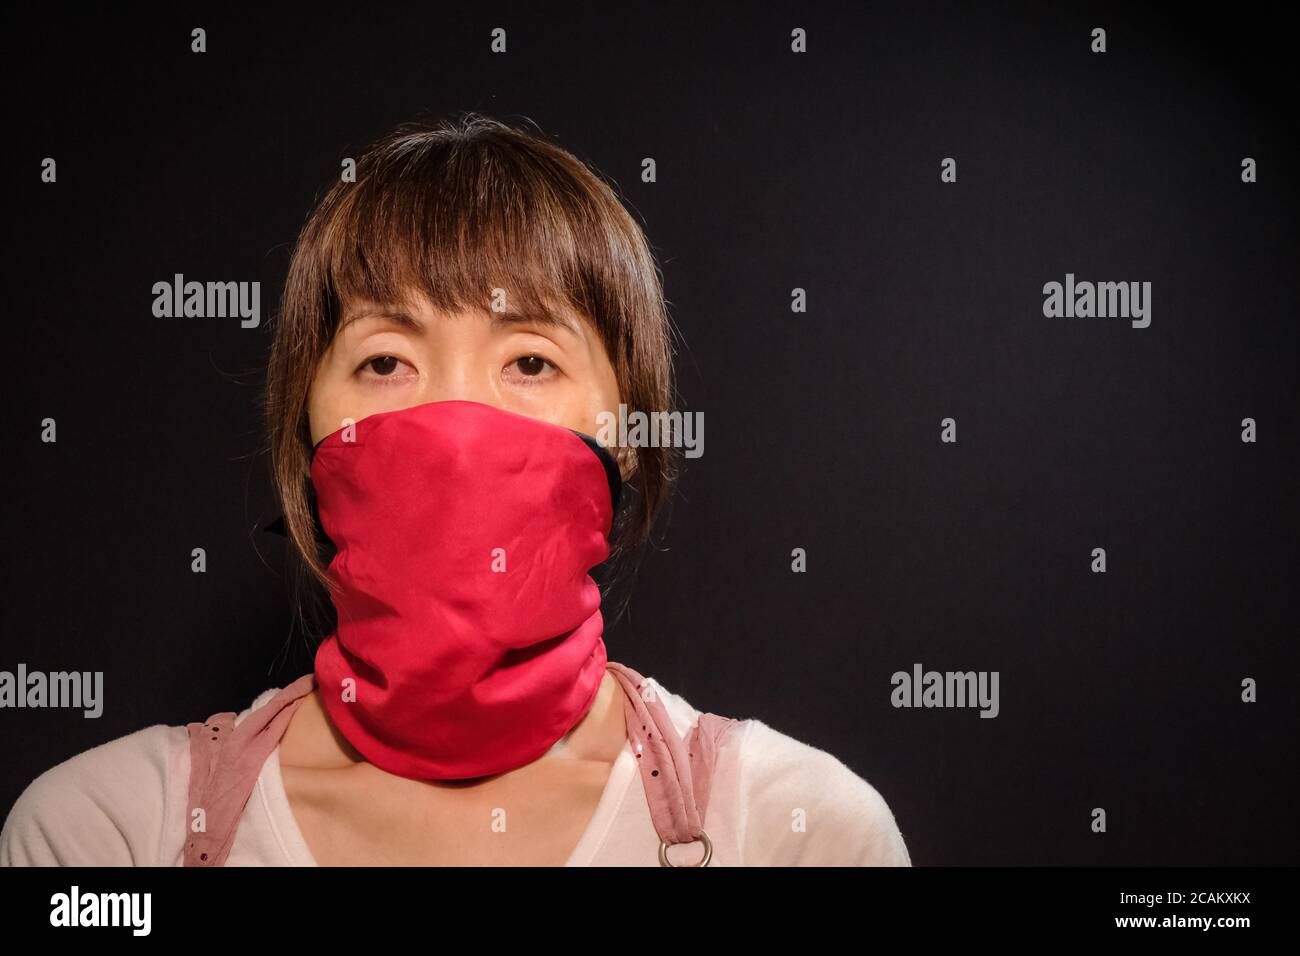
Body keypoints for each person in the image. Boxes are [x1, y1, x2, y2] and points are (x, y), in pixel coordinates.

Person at [0, 114, 912, 867]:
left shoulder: (805, 835)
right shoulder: (102, 837)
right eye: (386, 359)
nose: (454, 416)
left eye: (529, 360)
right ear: (308, 430)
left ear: (629, 438)